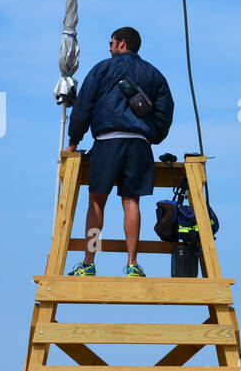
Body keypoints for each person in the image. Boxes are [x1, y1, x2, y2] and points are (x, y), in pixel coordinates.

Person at [65, 26, 174, 278]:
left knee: (96, 201)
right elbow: (165, 111)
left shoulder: (103, 68)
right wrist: (153, 136)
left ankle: (89, 262)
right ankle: (132, 264)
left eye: (112, 42)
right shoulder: (154, 74)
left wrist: (74, 139)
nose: (110, 47)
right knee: (131, 201)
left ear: (122, 43)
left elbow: (84, 105)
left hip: (108, 141)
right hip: (138, 145)